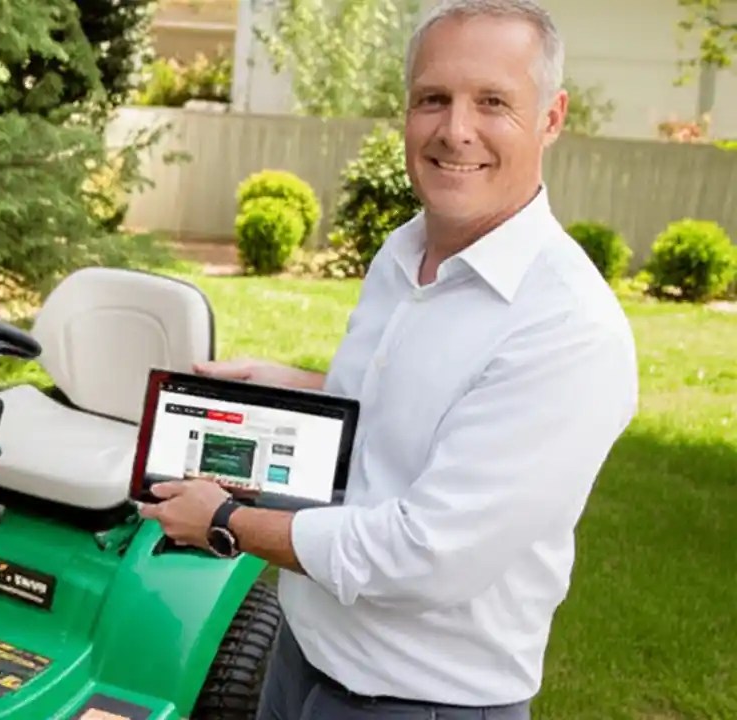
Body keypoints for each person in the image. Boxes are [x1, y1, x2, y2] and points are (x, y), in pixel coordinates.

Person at [136, 0, 639, 717]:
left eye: (493, 102)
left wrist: (225, 521)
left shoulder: (568, 329)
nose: (455, 130)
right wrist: (294, 387)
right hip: (302, 658)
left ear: (552, 118)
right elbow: (415, 402)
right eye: (433, 98)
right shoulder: (406, 251)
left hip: (420, 702)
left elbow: (425, 555)